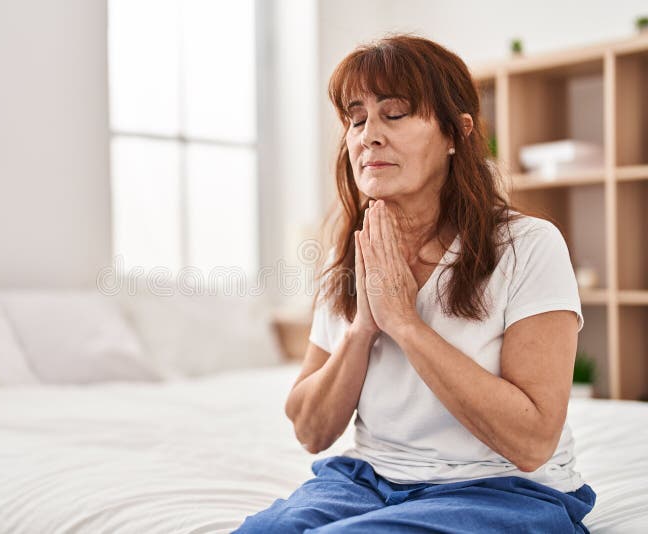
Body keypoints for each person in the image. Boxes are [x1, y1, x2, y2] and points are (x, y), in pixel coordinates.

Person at [234, 34, 596, 533]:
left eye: (396, 113)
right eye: (356, 119)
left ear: (456, 134)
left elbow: (533, 441)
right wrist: (363, 328)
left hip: (506, 489)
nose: (368, 135)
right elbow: (311, 430)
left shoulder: (529, 245)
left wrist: (405, 323)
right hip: (368, 479)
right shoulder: (353, 251)